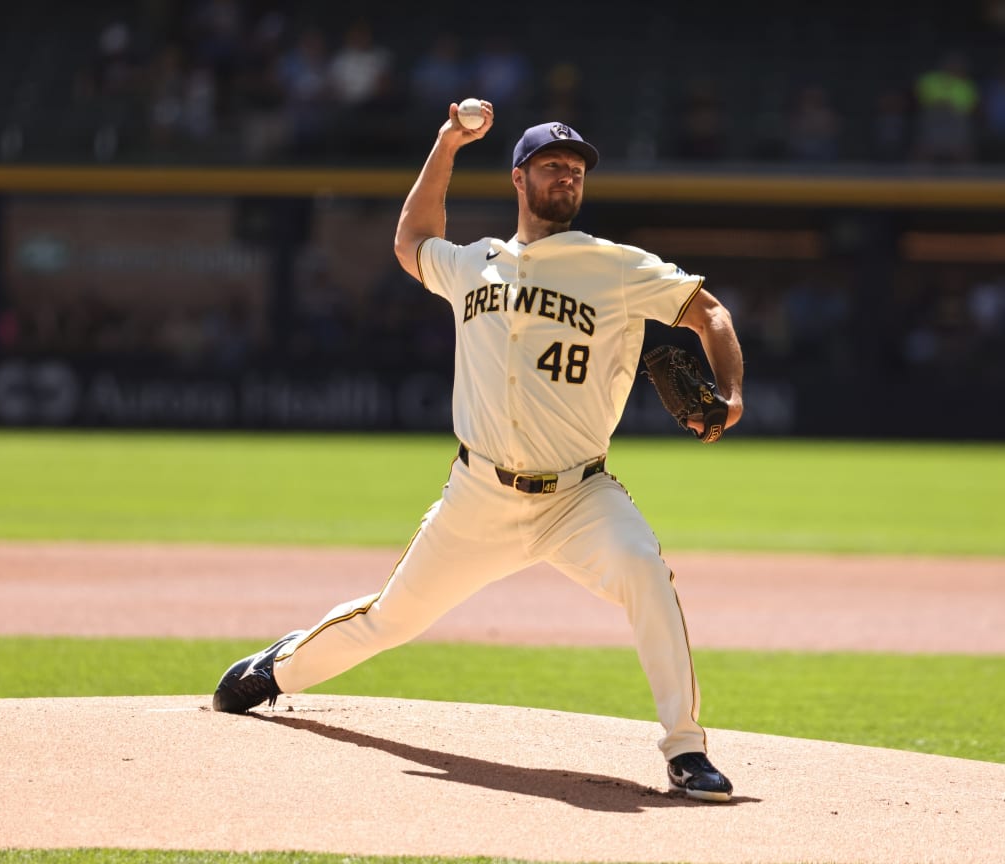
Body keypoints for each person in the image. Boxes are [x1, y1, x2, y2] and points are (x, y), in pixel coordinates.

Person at [211, 102, 746, 802]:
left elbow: (710, 314)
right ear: (519, 179)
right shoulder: (476, 264)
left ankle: (685, 750)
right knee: (388, 620)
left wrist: (731, 395)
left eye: (577, 168)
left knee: (645, 572)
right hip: (480, 495)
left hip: (579, 497)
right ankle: (279, 670)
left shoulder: (615, 267)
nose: (568, 176)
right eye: (553, 165)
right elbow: (410, 242)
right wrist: (446, 143)